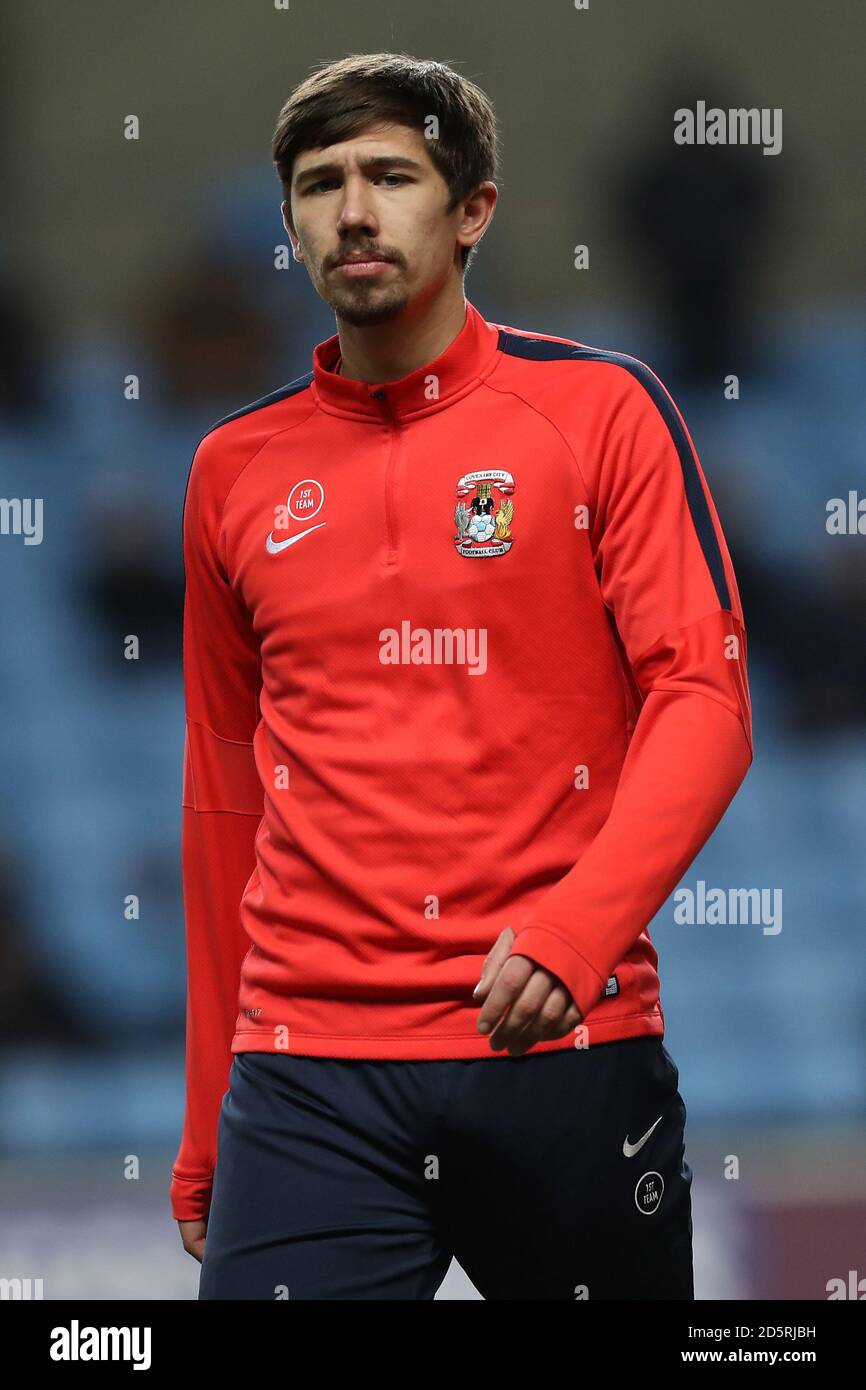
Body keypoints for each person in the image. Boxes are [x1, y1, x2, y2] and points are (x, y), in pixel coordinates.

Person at [172, 52, 754, 1300]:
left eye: (391, 175)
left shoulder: (600, 413)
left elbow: (702, 705)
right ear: (289, 224)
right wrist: (206, 1117)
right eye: (319, 185)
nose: (354, 212)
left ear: (471, 209)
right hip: (306, 1071)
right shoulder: (231, 469)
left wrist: (575, 929)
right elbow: (223, 795)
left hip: (562, 1045)